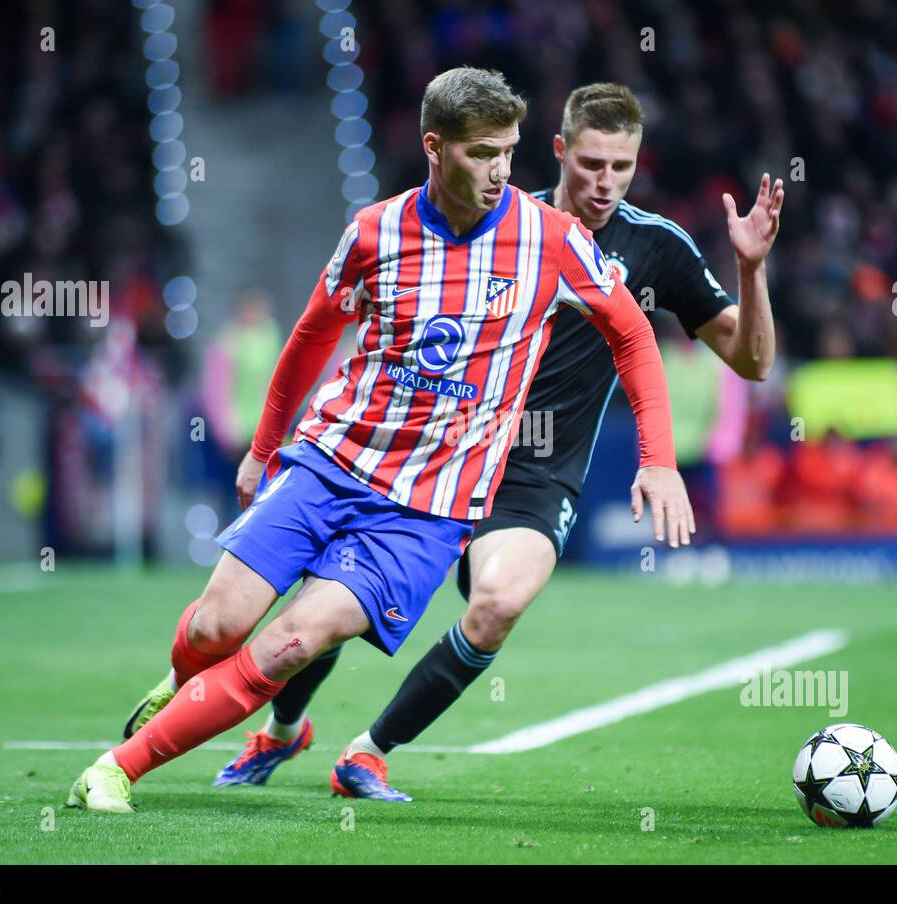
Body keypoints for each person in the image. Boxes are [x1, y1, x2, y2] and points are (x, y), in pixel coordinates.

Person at [67, 67, 694, 812]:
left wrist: (657, 459)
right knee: (214, 625)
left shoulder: (549, 240)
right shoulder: (375, 231)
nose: (501, 172)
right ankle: (182, 681)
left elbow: (633, 335)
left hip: (425, 511)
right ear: (435, 147)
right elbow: (310, 337)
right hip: (330, 463)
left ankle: (115, 768)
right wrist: (264, 448)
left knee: (292, 643)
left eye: (509, 152)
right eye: (481, 153)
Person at [212, 83, 783, 800]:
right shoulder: (506, 220)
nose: (605, 183)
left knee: (499, 601)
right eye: (591, 164)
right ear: (558, 151)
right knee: (334, 602)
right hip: (439, 455)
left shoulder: (654, 247)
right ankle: (283, 728)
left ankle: (370, 751)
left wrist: (752, 270)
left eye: (622, 167)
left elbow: (752, 361)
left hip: (533, 474)